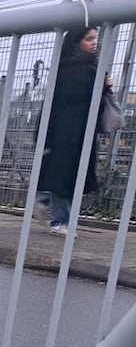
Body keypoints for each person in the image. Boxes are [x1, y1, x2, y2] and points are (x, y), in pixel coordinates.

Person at [37, 26, 111, 235]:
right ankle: (60, 220)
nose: (94, 43)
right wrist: (100, 86)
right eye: (89, 39)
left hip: (80, 132)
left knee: (68, 175)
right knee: (64, 175)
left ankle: (46, 200)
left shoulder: (90, 68)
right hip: (66, 132)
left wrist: (103, 87)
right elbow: (74, 96)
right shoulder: (70, 68)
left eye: (94, 39)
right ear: (77, 41)